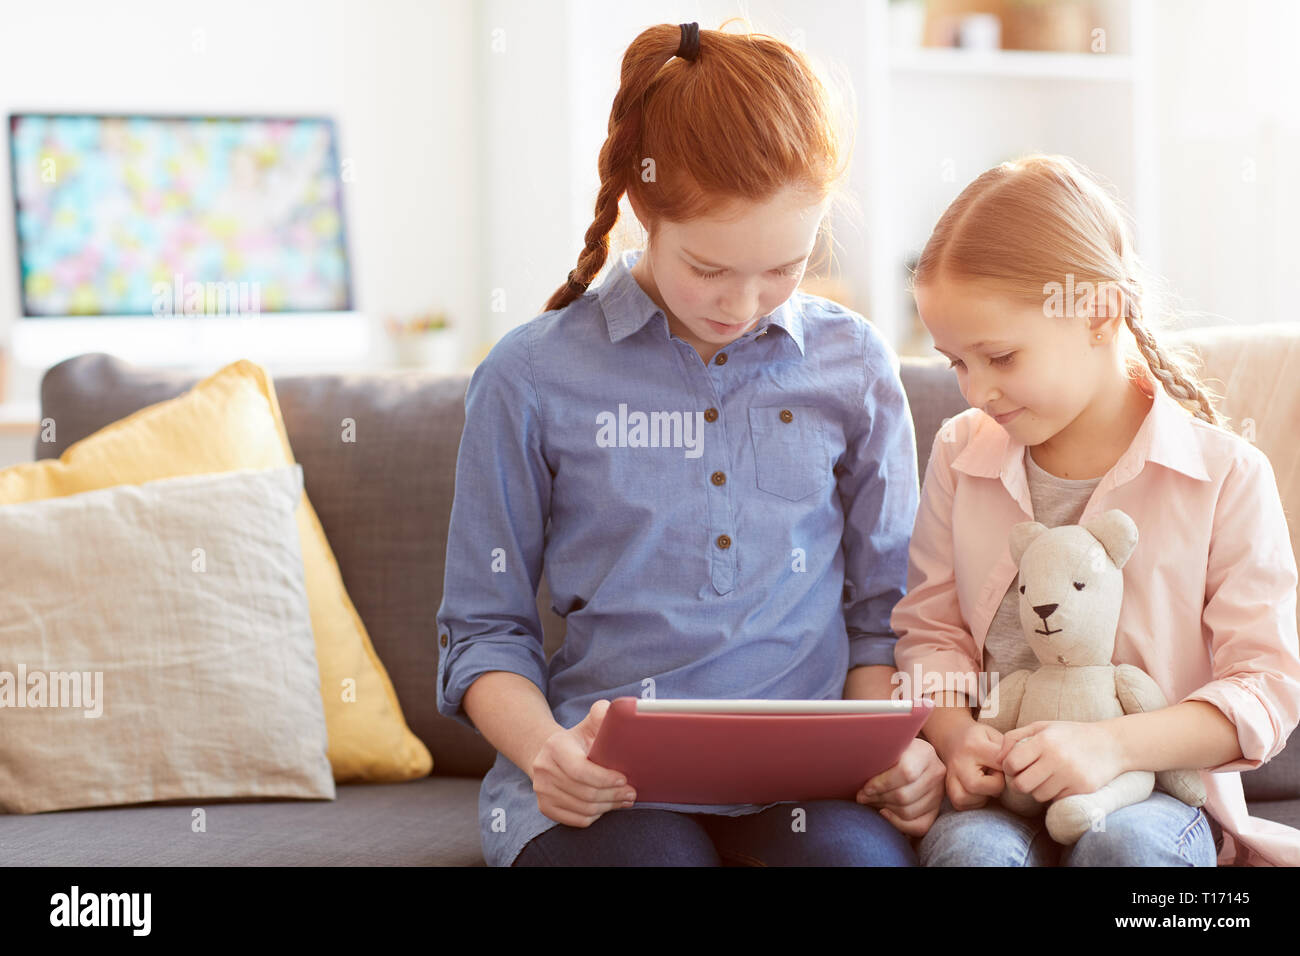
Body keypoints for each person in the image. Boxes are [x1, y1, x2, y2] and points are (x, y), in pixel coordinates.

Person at [435, 21, 944, 867]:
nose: (744, 302)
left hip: (809, 793)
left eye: (784, 266)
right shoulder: (530, 375)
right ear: (644, 209)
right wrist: (542, 754)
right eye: (709, 268)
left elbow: (884, 614)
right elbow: (483, 631)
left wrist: (894, 750)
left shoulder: (854, 366)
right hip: (608, 793)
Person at [891, 153, 1300, 866]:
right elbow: (931, 633)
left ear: (1098, 313)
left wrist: (1110, 745)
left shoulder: (1226, 475)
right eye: (957, 362)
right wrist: (957, 737)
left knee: (1126, 856)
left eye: (1001, 357)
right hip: (1000, 800)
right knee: (971, 859)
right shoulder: (960, 454)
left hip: (1154, 797)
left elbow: (1264, 688)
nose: (975, 391)